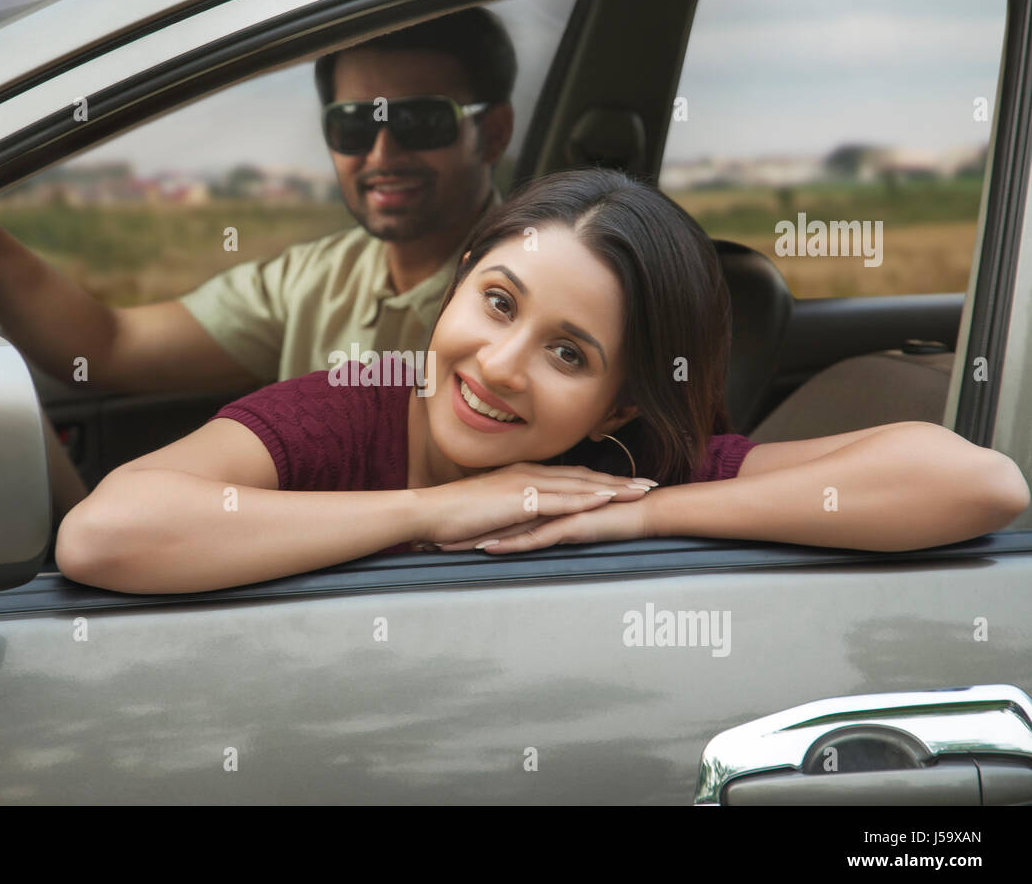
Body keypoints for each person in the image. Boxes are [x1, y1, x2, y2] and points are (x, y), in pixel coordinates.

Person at [53, 168, 1031, 594]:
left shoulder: (622, 468)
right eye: (497, 301)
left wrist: (644, 517)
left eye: (570, 353)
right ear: (452, 293)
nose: (499, 364)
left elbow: (977, 483)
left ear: (616, 405)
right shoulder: (349, 402)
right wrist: (426, 511)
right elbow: (107, 532)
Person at [0, 8, 516, 394]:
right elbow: (113, 347)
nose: (381, 155)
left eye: (419, 123)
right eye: (352, 126)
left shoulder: (525, 293)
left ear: (493, 133)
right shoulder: (314, 278)